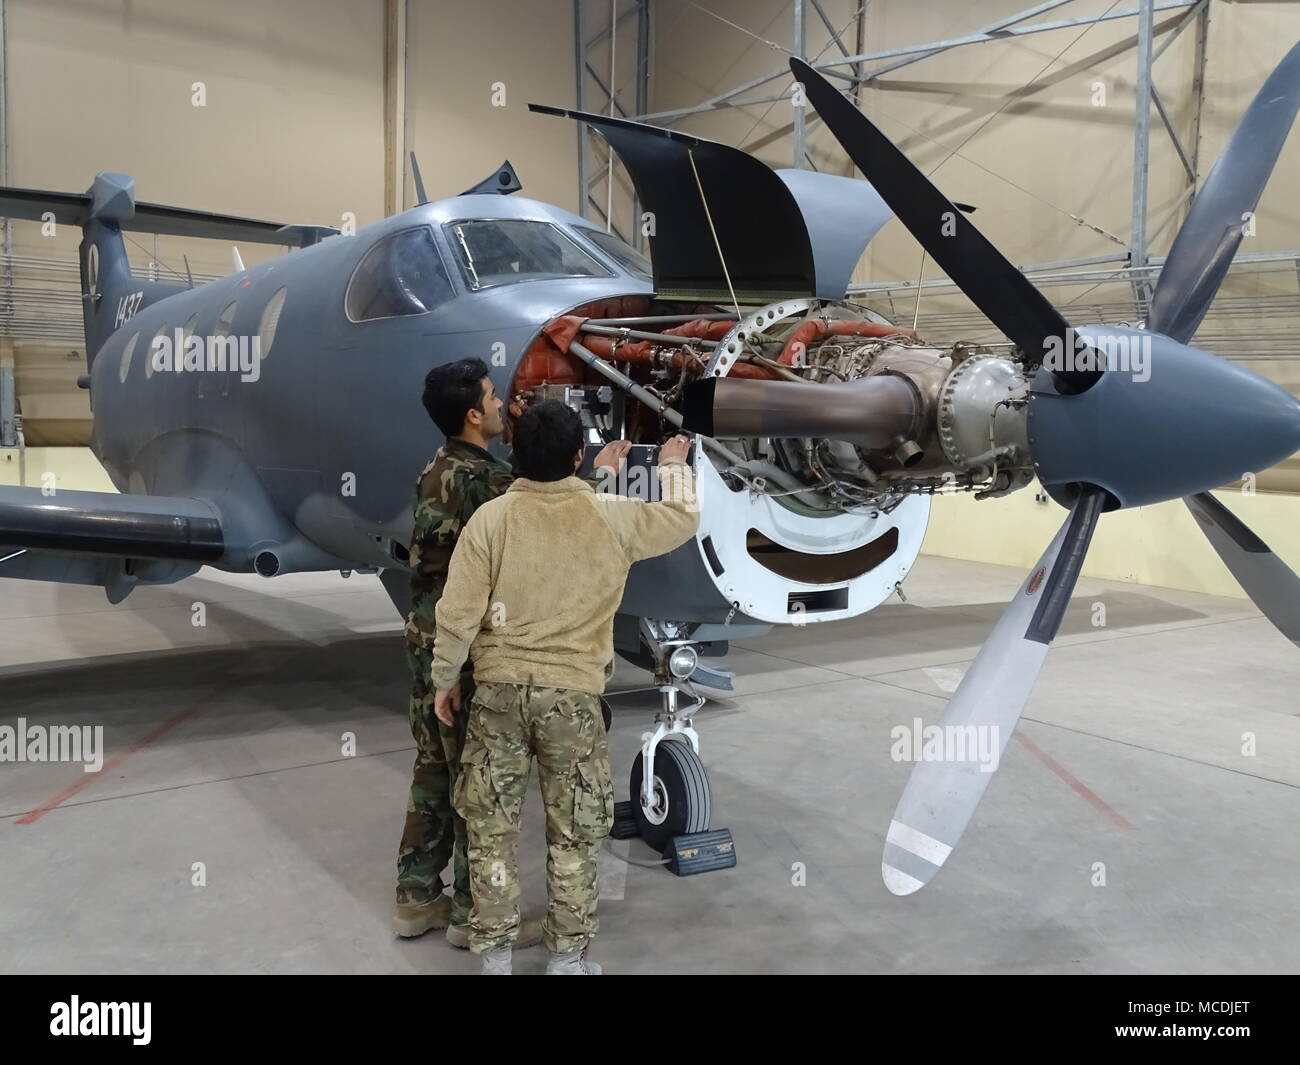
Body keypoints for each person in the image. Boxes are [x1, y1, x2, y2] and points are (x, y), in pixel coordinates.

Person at [430, 401, 699, 975]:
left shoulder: (492, 520)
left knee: (491, 829)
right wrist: (674, 462)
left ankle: (496, 958)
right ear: (579, 456)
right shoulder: (614, 517)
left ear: (514, 455)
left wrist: (444, 681)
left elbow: (456, 616)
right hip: (572, 700)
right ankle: (568, 960)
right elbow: (681, 516)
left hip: (498, 694)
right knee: (575, 832)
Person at [394, 359, 623, 950]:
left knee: (434, 772)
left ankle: (416, 898)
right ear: (473, 414)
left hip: (426, 639)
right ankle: (475, 917)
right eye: (494, 398)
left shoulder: (437, 465)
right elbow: (554, 506)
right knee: (483, 789)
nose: (504, 406)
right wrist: (601, 471)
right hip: (468, 651)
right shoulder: (487, 483)